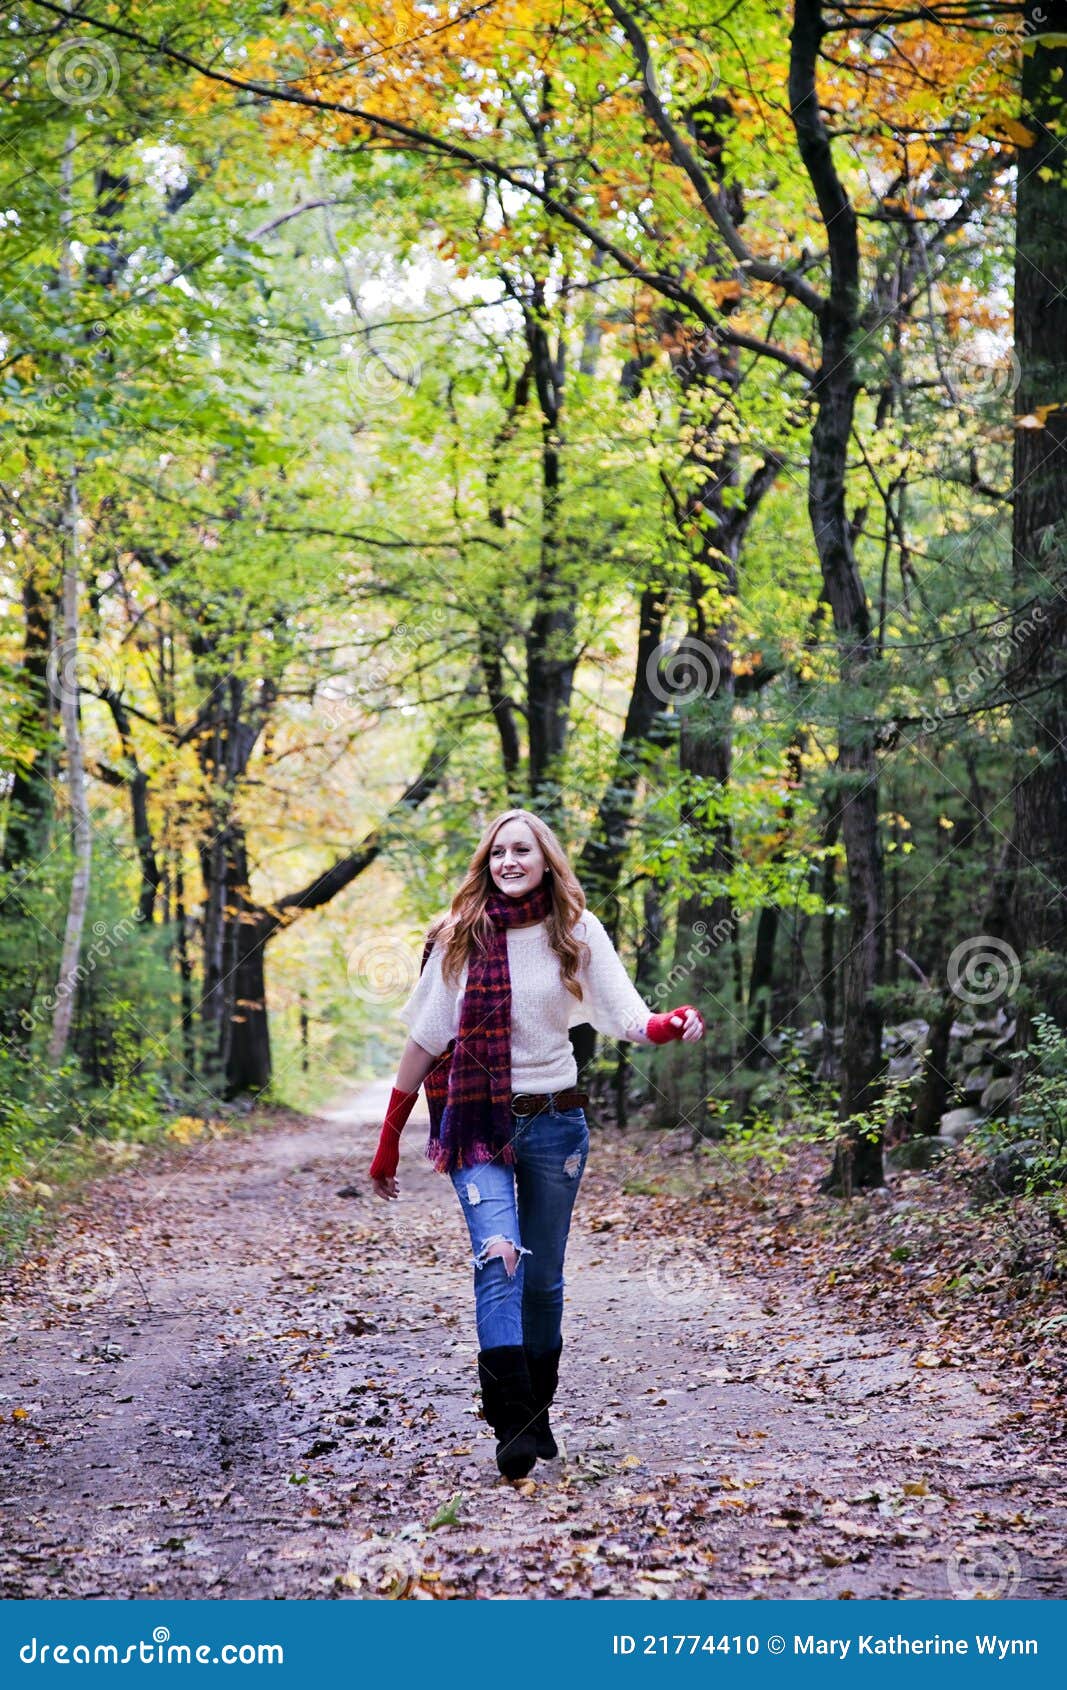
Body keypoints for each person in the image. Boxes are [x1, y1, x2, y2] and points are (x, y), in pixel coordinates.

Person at [368, 808, 704, 1480]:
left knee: (543, 1279)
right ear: (485, 863)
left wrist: (671, 1025)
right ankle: (514, 1425)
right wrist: (389, 1137)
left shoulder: (575, 933)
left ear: (546, 859)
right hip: (476, 1125)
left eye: (521, 851)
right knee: (501, 1262)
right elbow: (426, 1037)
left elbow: (628, 1016)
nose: (508, 863)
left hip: (555, 1123)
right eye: (497, 854)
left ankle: (535, 1411)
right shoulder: (458, 937)